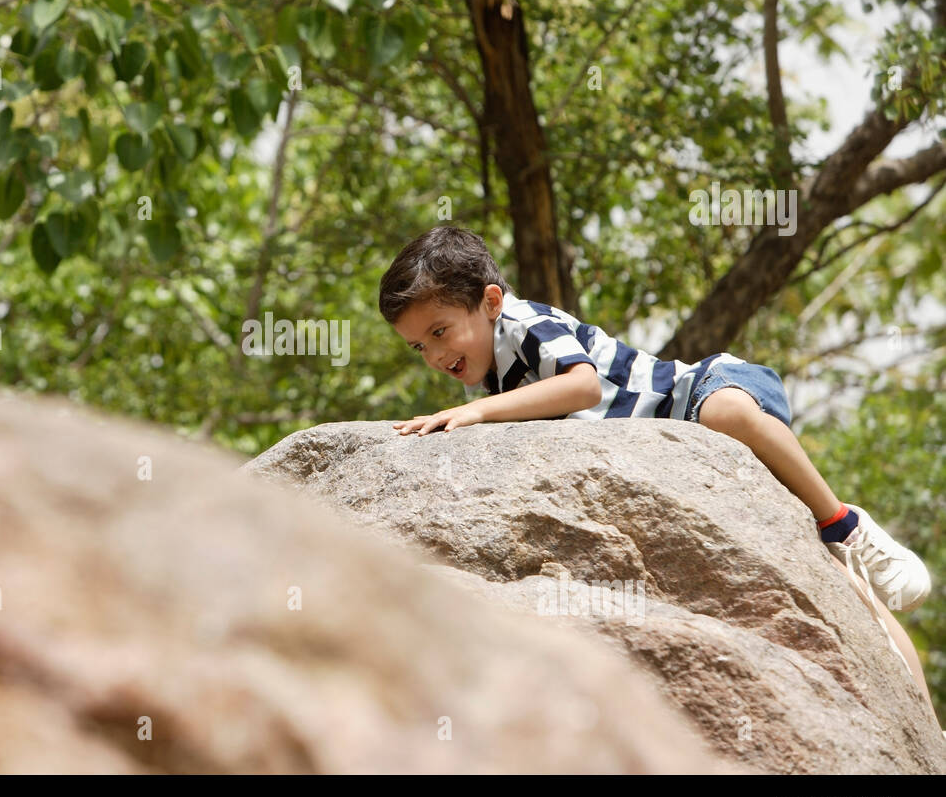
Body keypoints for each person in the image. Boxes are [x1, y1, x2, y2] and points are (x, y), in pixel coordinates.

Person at [378, 225, 935, 711]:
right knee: (839, 591)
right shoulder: (491, 374)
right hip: (686, 460)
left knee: (727, 412)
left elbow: (583, 383)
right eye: (416, 348)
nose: (432, 356)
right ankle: (923, 723)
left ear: (491, 302)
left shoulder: (525, 325)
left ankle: (841, 520)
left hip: (700, 391)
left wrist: (475, 411)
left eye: (439, 332)